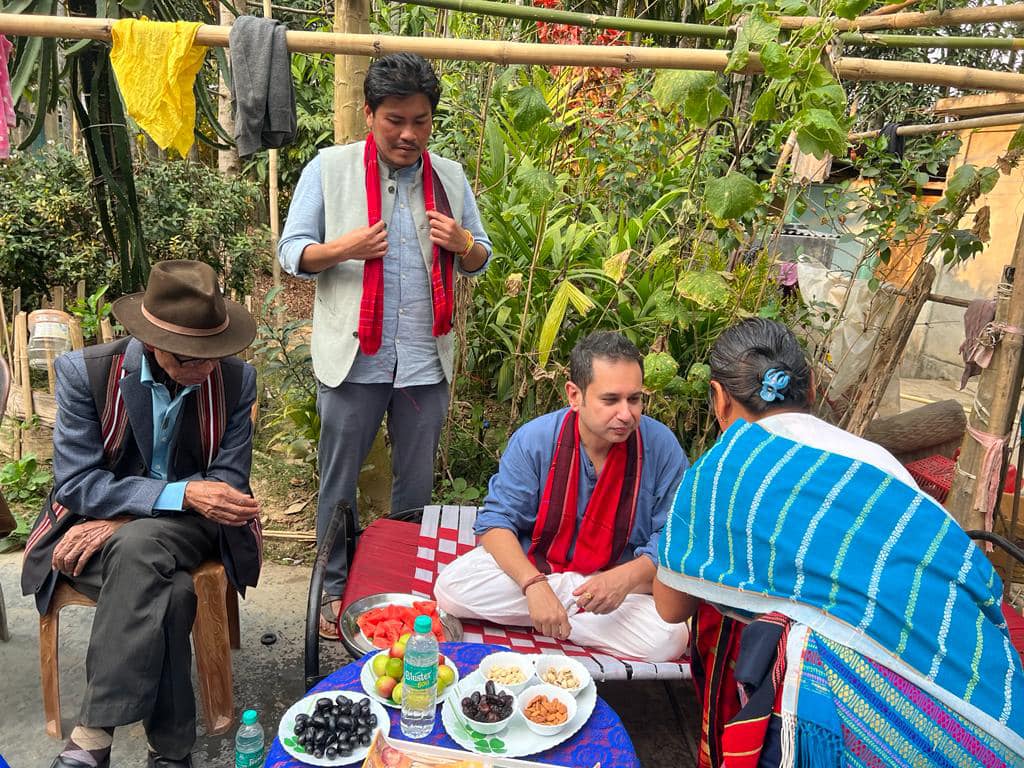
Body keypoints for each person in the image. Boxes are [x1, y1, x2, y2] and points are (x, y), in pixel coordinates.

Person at [653, 318, 1024, 766]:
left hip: (853, 702)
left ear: (719, 398)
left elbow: (671, 609)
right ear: (809, 390)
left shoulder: (721, 471)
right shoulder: (872, 459)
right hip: (983, 687)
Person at [278, 53, 492, 639]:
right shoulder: (329, 168)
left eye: (420, 121)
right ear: (369, 113)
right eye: (395, 119)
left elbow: (481, 258)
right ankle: (330, 589)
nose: (408, 134)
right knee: (338, 481)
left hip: (424, 360)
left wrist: (463, 241)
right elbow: (291, 252)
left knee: (415, 487)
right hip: (352, 357)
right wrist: (341, 247)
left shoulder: (449, 178)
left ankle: (405, 588)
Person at [22, 261, 263, 768]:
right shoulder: (85, 373)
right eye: (187, 359)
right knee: (172, 591)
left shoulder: (238, 382)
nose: (204, 369)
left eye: (213, 356)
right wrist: (170, 497)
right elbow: (76, 483)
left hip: (192, 528)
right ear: (151, 342)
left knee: (138, 543)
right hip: (89, 536)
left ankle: (93, 735)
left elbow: (227, 485)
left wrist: (131, 516)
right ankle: (172, 752)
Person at [434, 332, 690, 662]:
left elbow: (675, 536)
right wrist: (533, 585)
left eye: (635, 399)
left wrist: (623, 579)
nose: (626, 414)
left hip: (620, 587)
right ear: (574, 395)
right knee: (451, 589)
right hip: (541, 569)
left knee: (669, 638)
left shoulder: (661, 446)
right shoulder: (536, 440)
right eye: (611, 400)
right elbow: (496, 524)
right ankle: (555, 609)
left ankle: (552, 616)